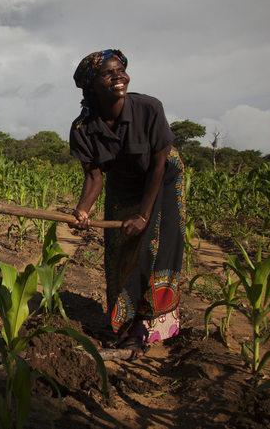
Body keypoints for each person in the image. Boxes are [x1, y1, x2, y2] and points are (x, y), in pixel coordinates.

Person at [69, 49, 185, 357]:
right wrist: (83, 210)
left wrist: (144, 215)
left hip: (163, 180)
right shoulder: (83, 129)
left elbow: (159, 165)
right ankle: (122, 322)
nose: (119, 76)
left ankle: (144, 328)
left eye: (121, 70)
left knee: (151, 246)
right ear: (91, 85)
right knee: (120, 252)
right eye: (109, 73)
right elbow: (94, 179)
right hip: (122, 184)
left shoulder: (148, 108)